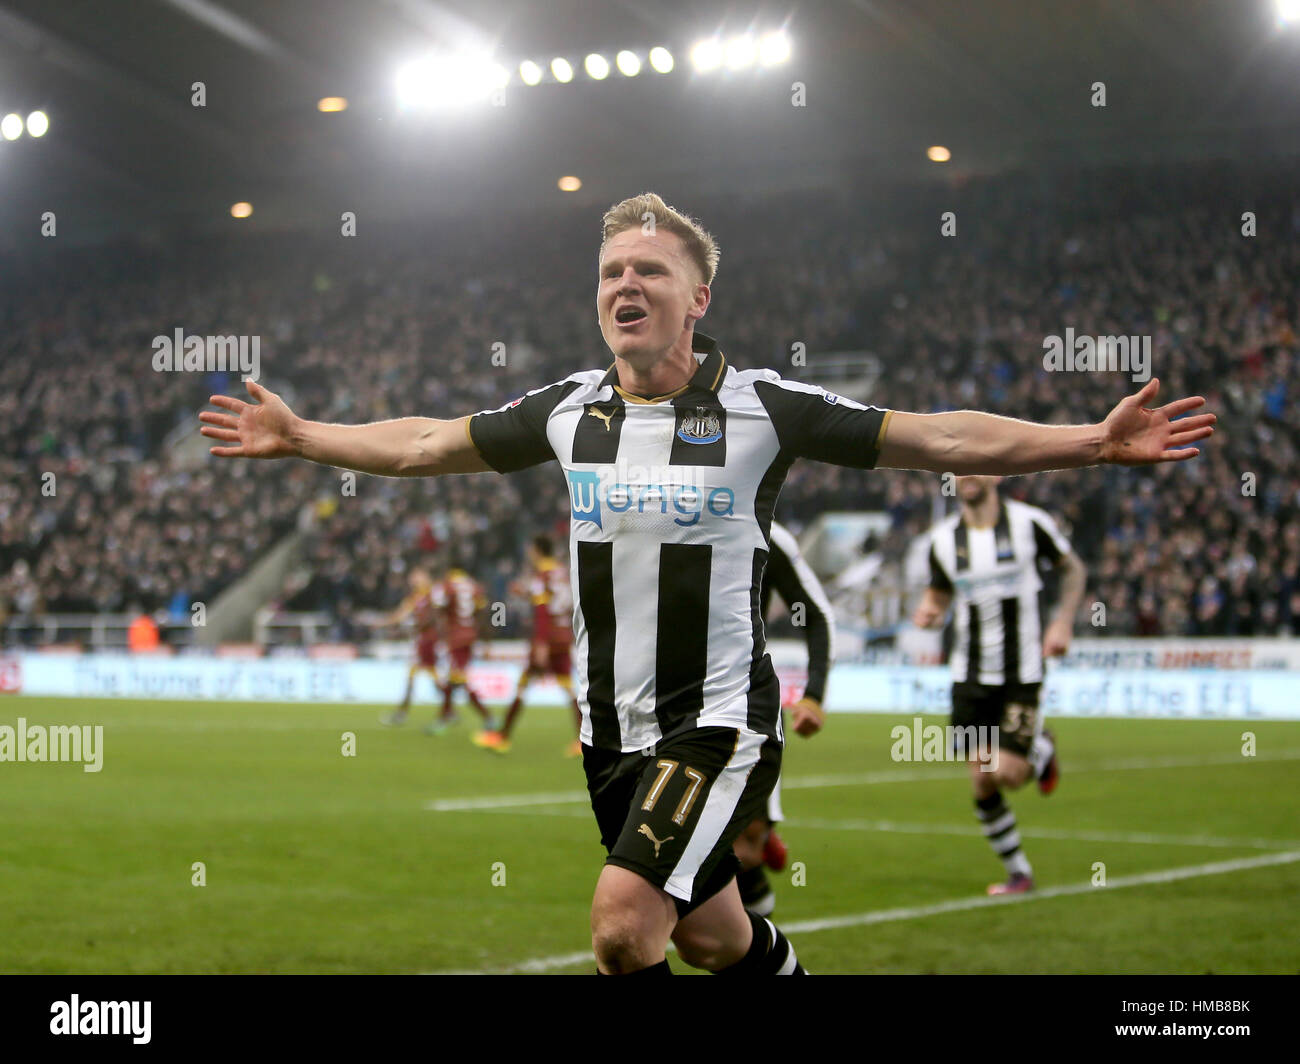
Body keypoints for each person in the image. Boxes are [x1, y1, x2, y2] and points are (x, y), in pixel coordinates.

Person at [200, 191, 1213, 974]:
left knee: (621, 928)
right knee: (714, 939)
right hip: (608, 730)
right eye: (609, 271)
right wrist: (299, 435)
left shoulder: (764, 407)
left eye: (649, 269)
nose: (623, 285)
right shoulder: (567, 410)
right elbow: (424, 442)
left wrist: (1090, 440)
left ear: (699, 296)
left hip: (714, 717)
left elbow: (940, 434)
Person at [912, 475, 1087, 894]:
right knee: (982, 778)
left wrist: (1062, 622)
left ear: (995, 474)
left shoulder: (1029, 523)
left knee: (1007, 774)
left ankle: (1040, 748)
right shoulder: (942, 540)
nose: (966, 477)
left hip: (1020, 672)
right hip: (969, 676)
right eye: (958, 471)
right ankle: (1019, 874)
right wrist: (929, 610)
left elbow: (1073, 568)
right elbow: (938, 594)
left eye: (975, 468)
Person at [733, 521, 833, 917]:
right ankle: (761, 830)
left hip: (743, 711)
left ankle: (758, 829)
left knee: (740, 852)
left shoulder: (764, 533)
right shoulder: (650, 518)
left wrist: (814, 696)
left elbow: (816, 617)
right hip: (665, 711)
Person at [473, 534, 583, 756]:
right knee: (569, 689)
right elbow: (560, 602)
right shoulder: (561, 572)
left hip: (547, 639)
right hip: (563, 636)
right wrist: (525, 594)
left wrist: (541, 643)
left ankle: (502, 737)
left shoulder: (541, 575)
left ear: (537, 550)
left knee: (523, 685)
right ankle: (582, 742)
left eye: (531, 549)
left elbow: (543, 611)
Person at [430, 561, 495, 733]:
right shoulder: (473, 586)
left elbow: (438, 608)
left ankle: (487, 717)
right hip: (470, 637)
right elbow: (483, 610)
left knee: (459, 679)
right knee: (452, 679)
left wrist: (440, 632)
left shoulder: (447, 586)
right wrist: (485, 639)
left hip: (455, 638)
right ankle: (447, 715)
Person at [376, 567, 443, 730]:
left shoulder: (435, 594)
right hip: (423, 641)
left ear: (426, 577)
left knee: (425, 678)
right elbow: (399, 615)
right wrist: (380, 623)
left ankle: (403, 713)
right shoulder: (414, 598)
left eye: (417, 576)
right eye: (412, 577)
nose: (413, 580)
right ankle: (404, 713)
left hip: (430, 641)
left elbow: (441, 615)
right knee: (417, 676)